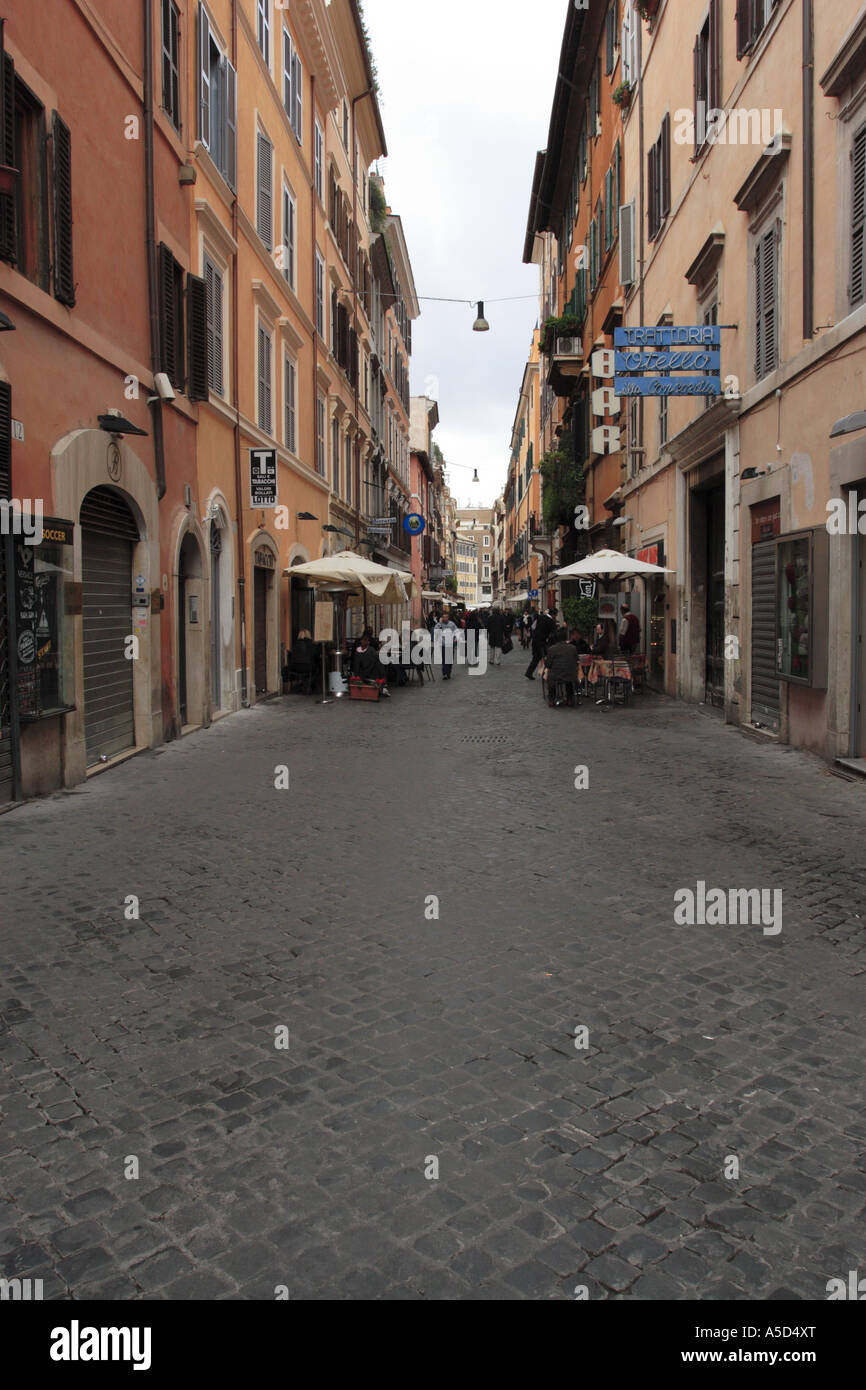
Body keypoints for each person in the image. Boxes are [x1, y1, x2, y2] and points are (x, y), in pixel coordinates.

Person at [544, 631, 580, 707]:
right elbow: (576, 660)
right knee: (569, 680)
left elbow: (548, 664)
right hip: (571, 674)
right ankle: (570, 699)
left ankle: (551, 699)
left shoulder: (551, 649)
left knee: (550, 678)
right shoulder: (573, 648)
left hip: (556, 675)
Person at [525, 604, 558, 680]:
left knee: (536, 658)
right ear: (553, 614)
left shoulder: (541, 617)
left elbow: (533, 627)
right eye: (556, 615)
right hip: (542, 643)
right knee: (546, 658)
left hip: (535, 641)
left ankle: (529, 672)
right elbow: (554, 634)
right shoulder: (551, 622)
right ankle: (545, 673)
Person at [352, 630, 389, 696]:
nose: (364, 642)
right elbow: (357, 666)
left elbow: (356, 666)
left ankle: (382, 685)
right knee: (379, 664)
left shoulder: (367, 650)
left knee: (378, 664)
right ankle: (383, 685)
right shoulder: (369, 650)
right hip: (368, 673)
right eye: (364, 640)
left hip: (367, 672)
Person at [434, 611, 459, 680]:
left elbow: (456, 631)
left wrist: (456, 638)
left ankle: (448, 672)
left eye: (446, 617)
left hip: (451, 644)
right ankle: (445, 673)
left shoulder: (452, 624)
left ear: (448, 617)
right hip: (443, 644)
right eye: (444, 617)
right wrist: (440, 626)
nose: (445, 618)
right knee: (444, 659)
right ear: (442, 618)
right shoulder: (439, 624)